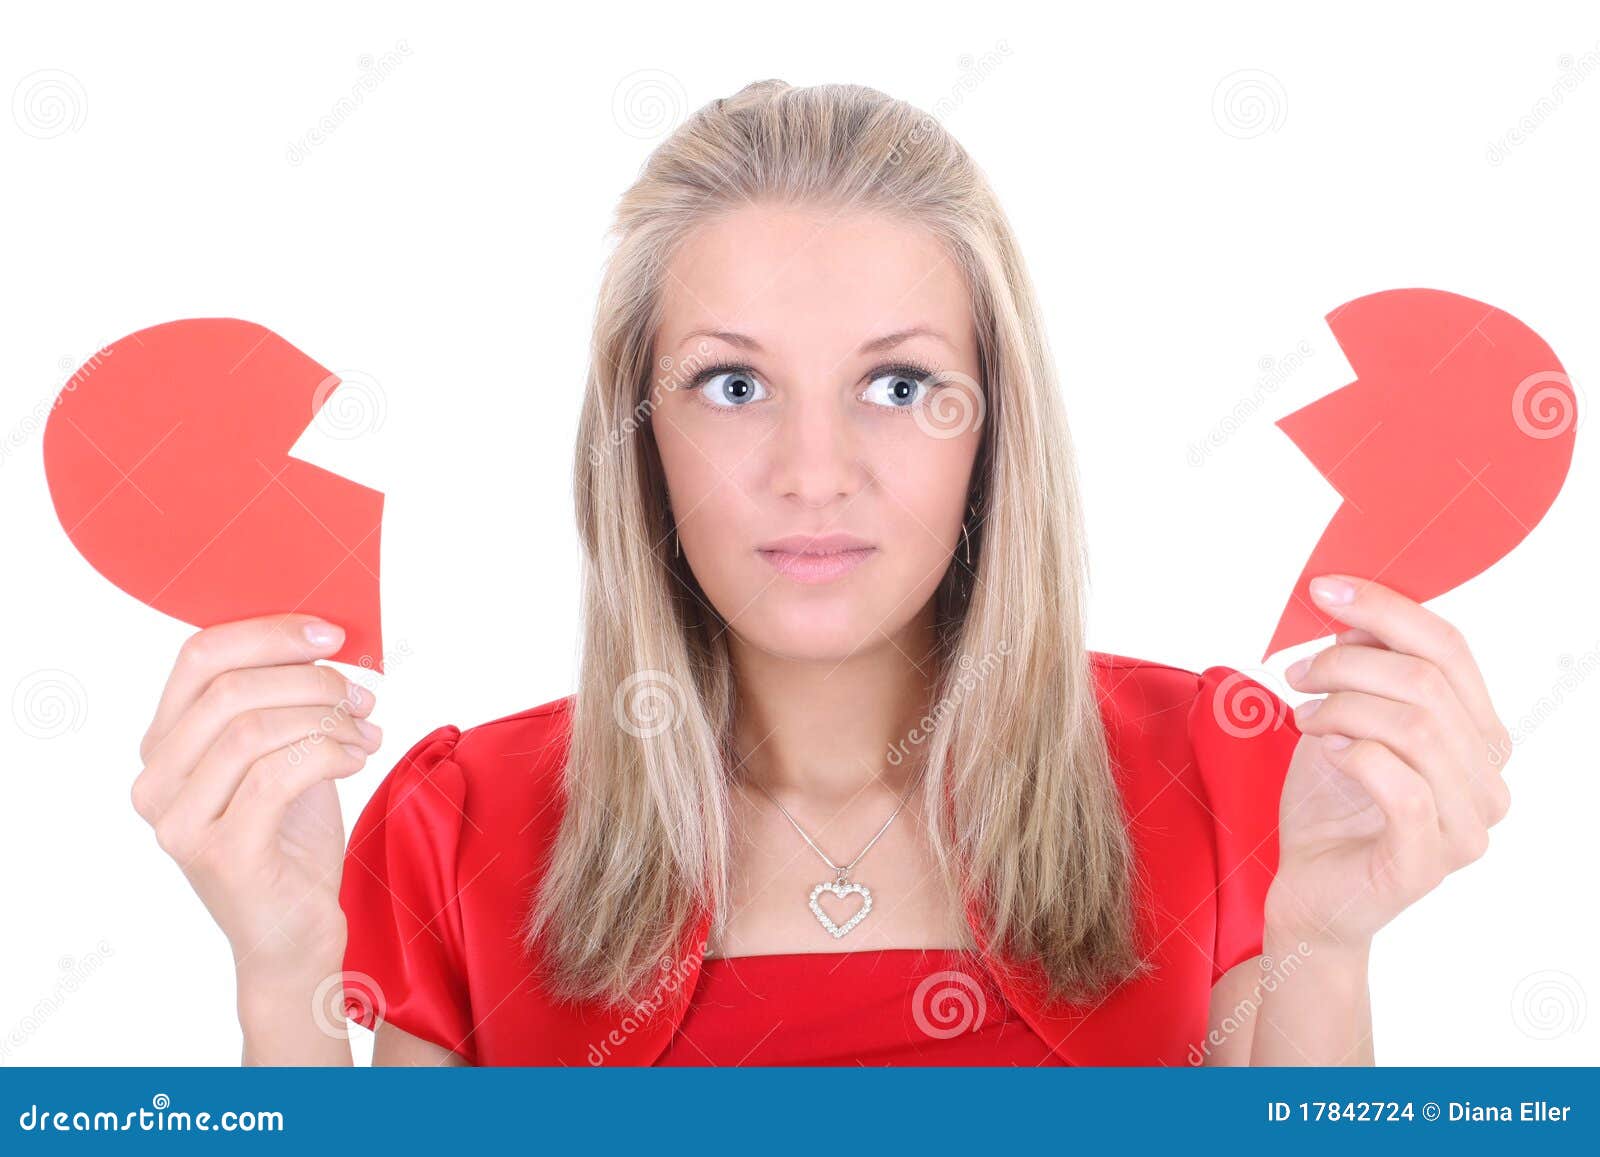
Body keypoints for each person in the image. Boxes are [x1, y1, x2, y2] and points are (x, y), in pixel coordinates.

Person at [131, 80, 1513, 1066]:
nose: (813, 468)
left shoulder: (1218, 773)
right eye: (732, 382)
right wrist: (287, 969)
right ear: (638, 431)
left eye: (900, 384)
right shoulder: (458, 825)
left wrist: (1327, 949)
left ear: (996, 424)